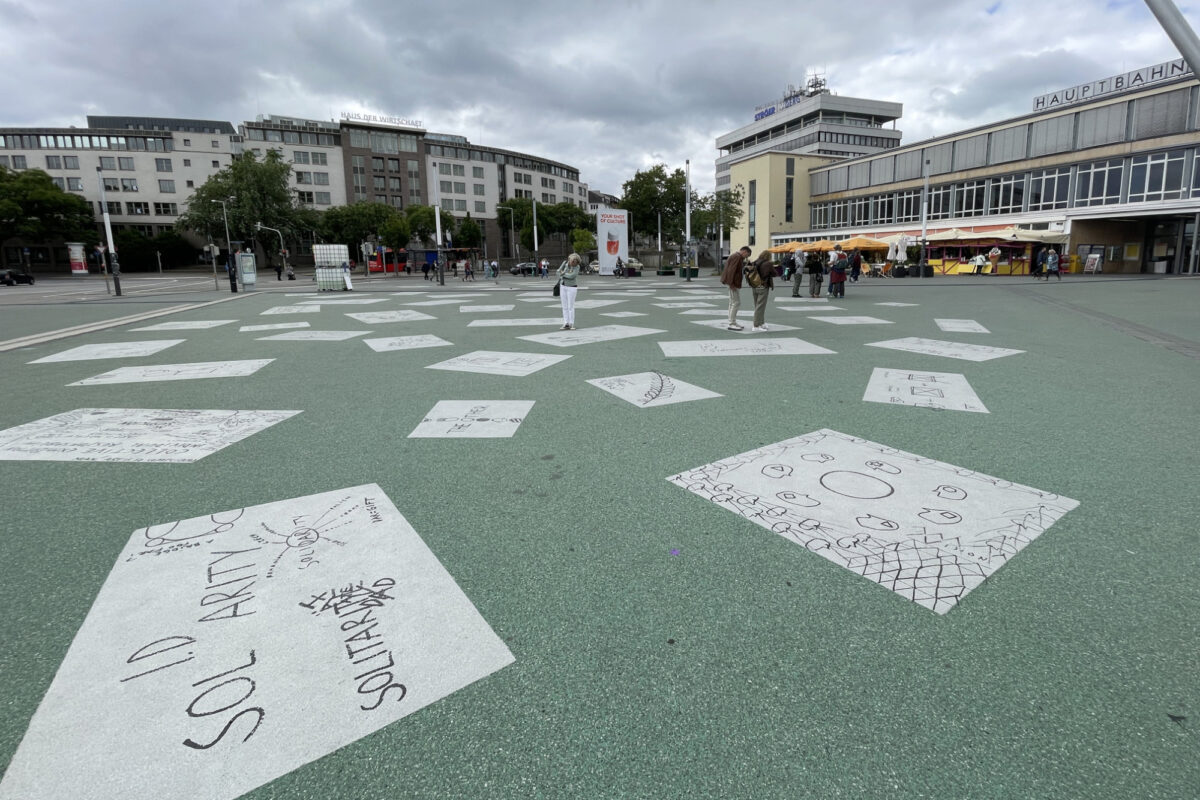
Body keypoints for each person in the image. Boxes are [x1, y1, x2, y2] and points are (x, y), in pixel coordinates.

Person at [720, 246, 752, 331]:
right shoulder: (737, 257)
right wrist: (732, 284)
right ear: (744, 252)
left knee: (732, 302)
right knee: (736, 302)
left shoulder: (735, 256)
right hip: (733, 283)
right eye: (747, 255)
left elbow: (731, 270)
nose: (746, 257)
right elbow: (731, 270)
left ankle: (732, 321)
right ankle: (731, 323)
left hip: (731, 282)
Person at [749, 250, 774, 332]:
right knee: (760, 307)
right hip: (763, 286)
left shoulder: (755, 262)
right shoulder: (768, 264)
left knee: (757, 305)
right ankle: (756, 325)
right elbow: (774, 273)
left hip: (754, 285)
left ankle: (761, 323)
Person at [557, 252, 582, 330]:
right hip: (563, 286)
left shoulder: (577, 267)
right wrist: (561, 273)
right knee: (564, 306)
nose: (573, 264)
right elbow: (557, 272)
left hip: (572, 287)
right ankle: (566, 323)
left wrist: (563, 274)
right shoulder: (565, 263)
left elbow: (572, 276)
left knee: (570, 306)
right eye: (572, 261)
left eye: (575, 262)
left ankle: (571, 323)